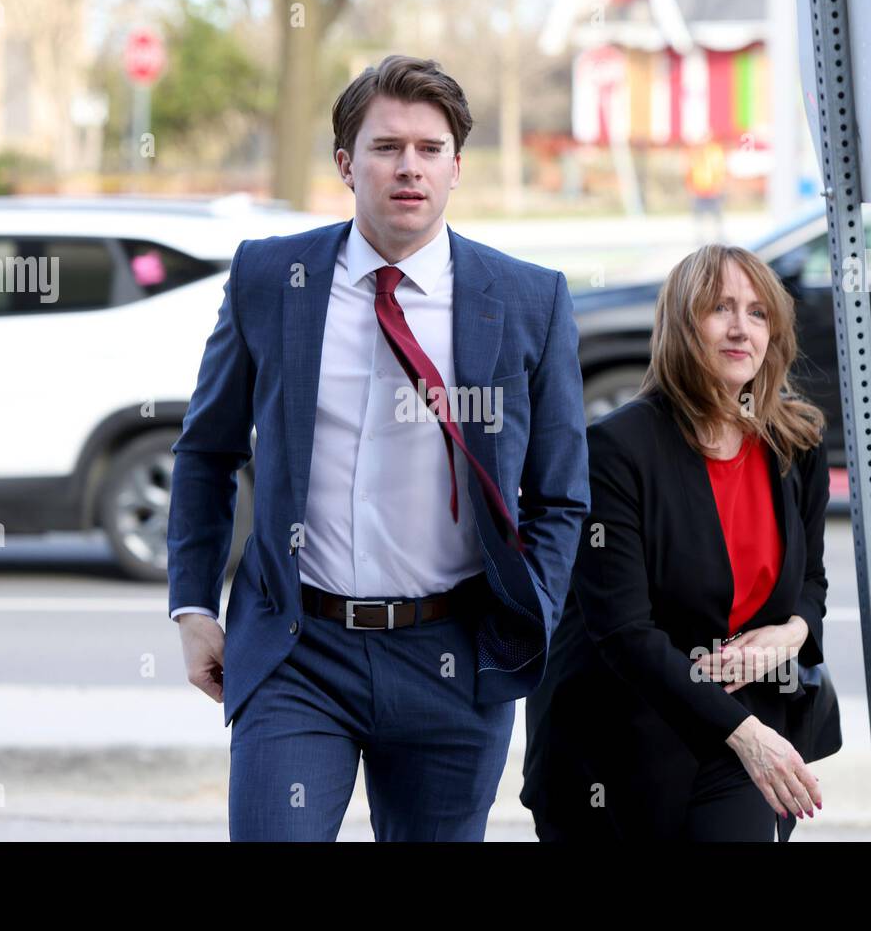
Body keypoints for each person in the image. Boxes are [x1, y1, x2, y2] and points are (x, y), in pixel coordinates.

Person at [167, 55, 590, 841]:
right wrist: (193, 605)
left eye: (431, 150)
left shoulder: (530, 301)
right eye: (386, 146)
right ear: (345, 162)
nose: (409, 168)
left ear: (458, 168)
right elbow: (207, 451)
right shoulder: (271, 277)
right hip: (298, 648)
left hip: (454, 661)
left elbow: (560, 493)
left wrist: (530, 611)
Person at [521, 244, 831, 841]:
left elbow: (812, 581)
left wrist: (791, 635)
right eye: (720, 308)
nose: (742, 327)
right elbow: (624, 633)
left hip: (742, 733)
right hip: (617, 743)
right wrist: (747, 735)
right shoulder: (616, 450)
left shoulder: (797, 441)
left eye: (758, 311)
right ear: (682, 327)